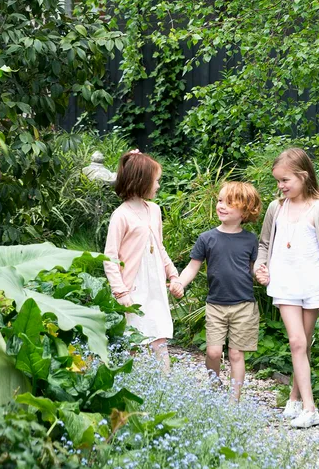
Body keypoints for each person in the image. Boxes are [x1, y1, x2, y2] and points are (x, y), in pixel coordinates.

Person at [254, 147, 319, 428]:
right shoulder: (276, 208)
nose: (280, 186)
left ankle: (294, 398)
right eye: (278, 181)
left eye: (285, 180)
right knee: (297, 342)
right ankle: (311, 408)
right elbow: (265, 243)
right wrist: (260, 266)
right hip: (285, 283)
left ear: (303, 176)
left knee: (303, 345)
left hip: (314, 284)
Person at [178, 181, 262, 399]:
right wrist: (179, 282)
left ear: (245, 210)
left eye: (229, 203)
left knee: (236, 353)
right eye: (220, 200)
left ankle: (234, 400)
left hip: (244, 305)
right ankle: (215, 385)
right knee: (213, 352)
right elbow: (192, 267)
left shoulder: (250, 240)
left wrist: (263, 275)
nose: (221, 206)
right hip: (215, 304)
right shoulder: (207, 238)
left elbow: (255, 270)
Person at [104, 149, 184, 371]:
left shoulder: (155, 210)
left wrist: (173, 274)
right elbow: (109, 257)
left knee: (159, 335)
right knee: (135, 338)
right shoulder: (121, 215)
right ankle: (133, 385)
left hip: (155, 284)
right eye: (156, 181)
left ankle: (165, 386)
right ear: (141, 181)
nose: (158, 186)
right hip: (133, 286)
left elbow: (159, 248)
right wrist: (120, 292)